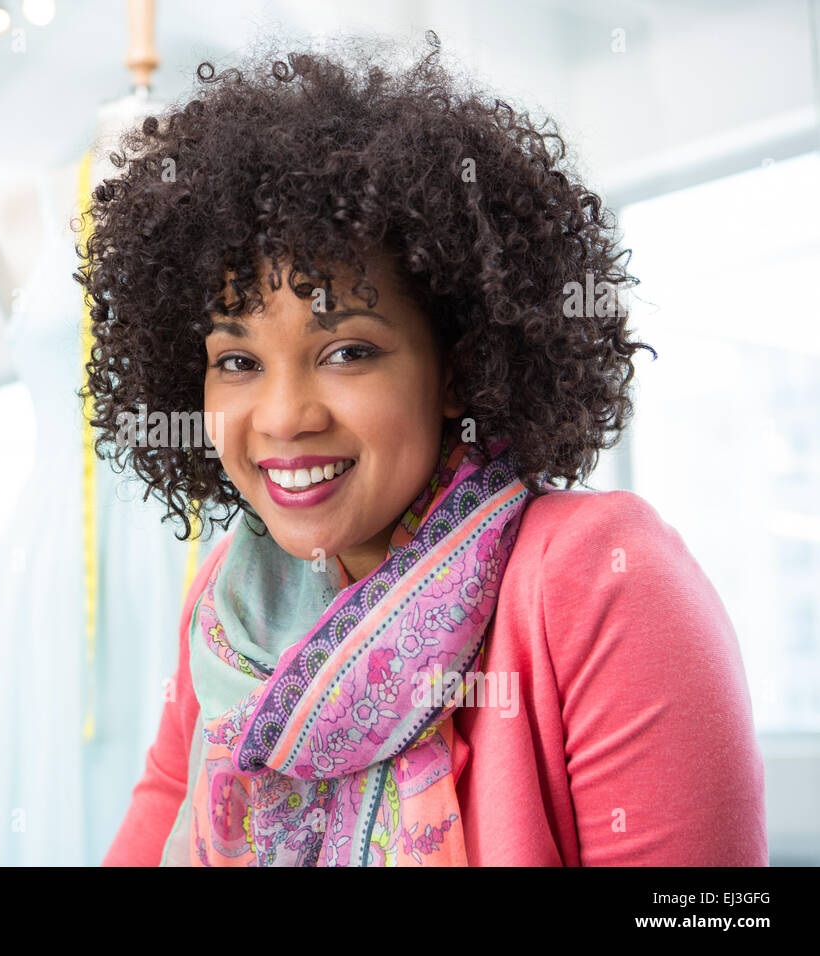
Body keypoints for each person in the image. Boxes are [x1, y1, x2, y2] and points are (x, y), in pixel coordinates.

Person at [77, 34, 768, 866]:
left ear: (457, 367)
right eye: (237, 362)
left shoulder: (599, 580)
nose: (283, 416)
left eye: (347, 351)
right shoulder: (228, 611)